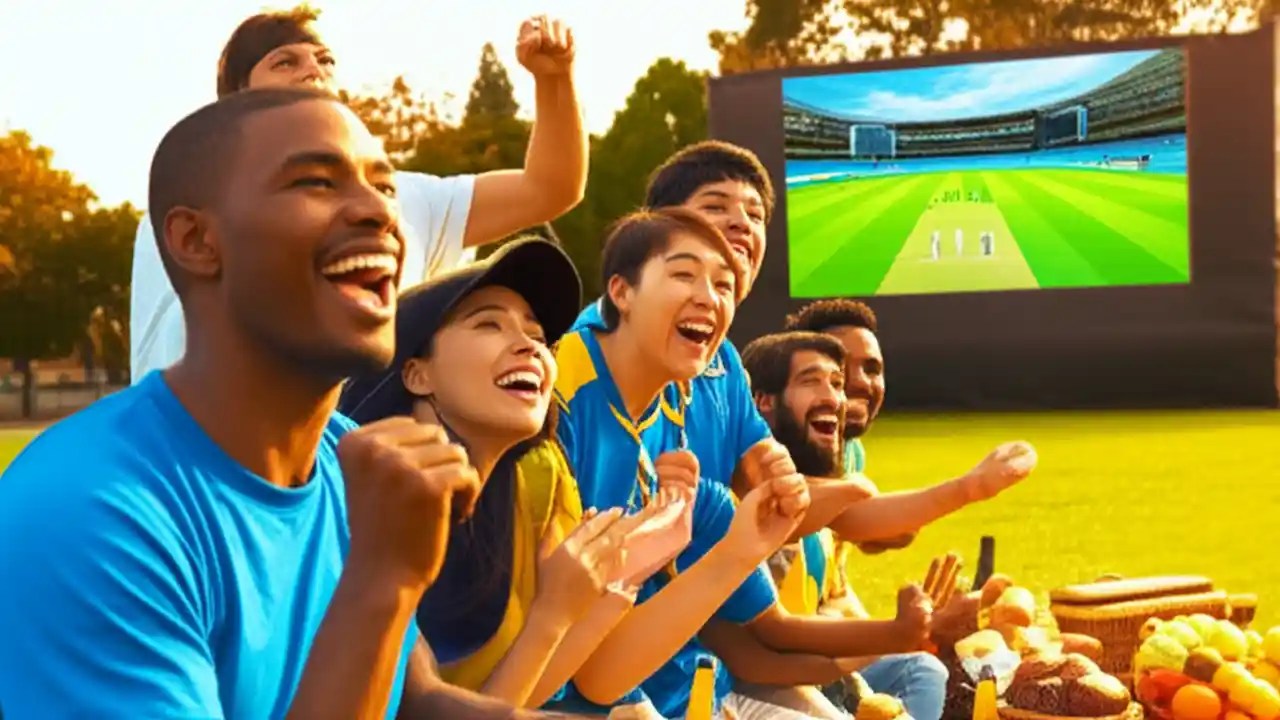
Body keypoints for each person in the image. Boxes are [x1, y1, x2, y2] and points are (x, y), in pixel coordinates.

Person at [0, 87, 578, 719]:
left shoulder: (342, 457)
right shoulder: (91, 511)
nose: (379, 213)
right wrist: (381, 579)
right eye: (316, 183)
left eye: (384, 188)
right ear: (196, 240)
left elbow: (418, 703)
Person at [551, 209, 933, 720]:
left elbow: (763, 629)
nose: (709, 296)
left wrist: (899, 633)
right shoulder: (559, 398)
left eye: (724, 285)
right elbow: (576, 666)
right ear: (620, 292)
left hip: (679, 688)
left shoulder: (689, 438)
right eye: (684, 273)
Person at [131, 5, 588, 380]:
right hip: (212, 465)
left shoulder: (402, 201)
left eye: (324, 59)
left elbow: (550, 187)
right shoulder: (194, 200)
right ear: (236, 100)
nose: (313, 69)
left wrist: (554, 79)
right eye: (285, 61)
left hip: (363, 470)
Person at [337, 237, 689, 713]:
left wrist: (613, 583)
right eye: (489, 324)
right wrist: (552, 613)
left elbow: (530, 692)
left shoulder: (538, 480)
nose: (529, 346)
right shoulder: (356, 502)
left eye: (539, 337)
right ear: (418, 374)